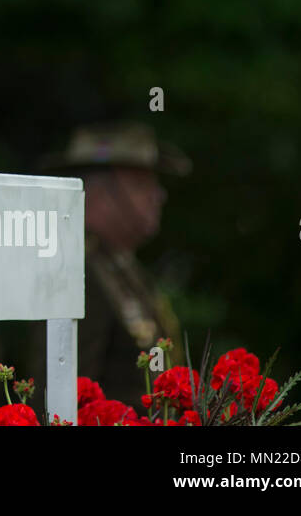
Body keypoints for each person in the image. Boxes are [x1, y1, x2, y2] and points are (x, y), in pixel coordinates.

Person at [38, 122, 188, 398]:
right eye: (141, 185)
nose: (158, 195)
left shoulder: (119, 264)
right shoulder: (74, 271)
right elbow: (61, 394)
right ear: (99, 193)